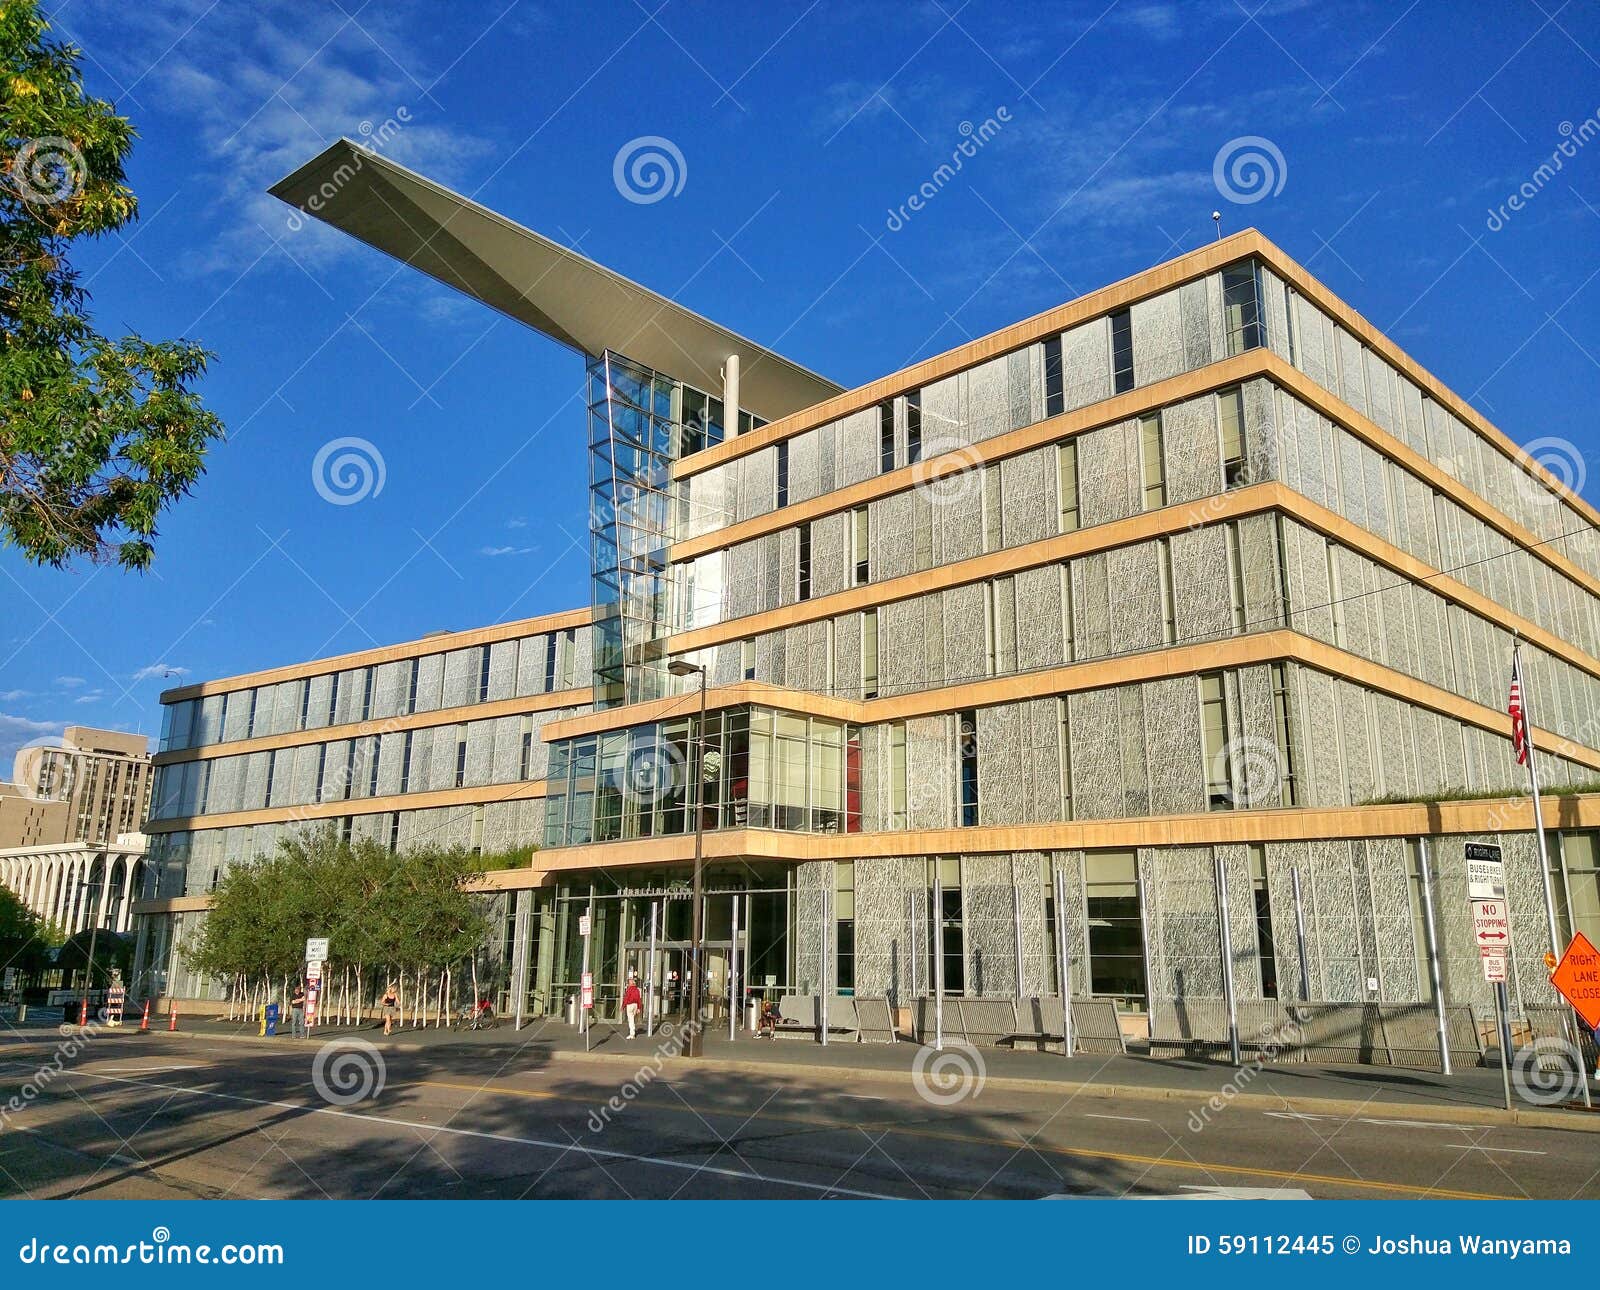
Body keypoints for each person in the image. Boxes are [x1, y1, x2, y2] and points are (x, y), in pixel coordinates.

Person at [622, 972, 643, 1039]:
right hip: (635, 1005)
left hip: (630, 1005)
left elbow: (626, 998)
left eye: (629, 982)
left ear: (630, 983)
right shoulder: (637, 990)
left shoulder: (629, 989)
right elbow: (639, 999)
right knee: (632, 1019)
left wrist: (623, 1006)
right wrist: (639, 1008)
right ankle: (632, 1032)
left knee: (630, 1019)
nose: (628, 983)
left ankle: (632, 1034)